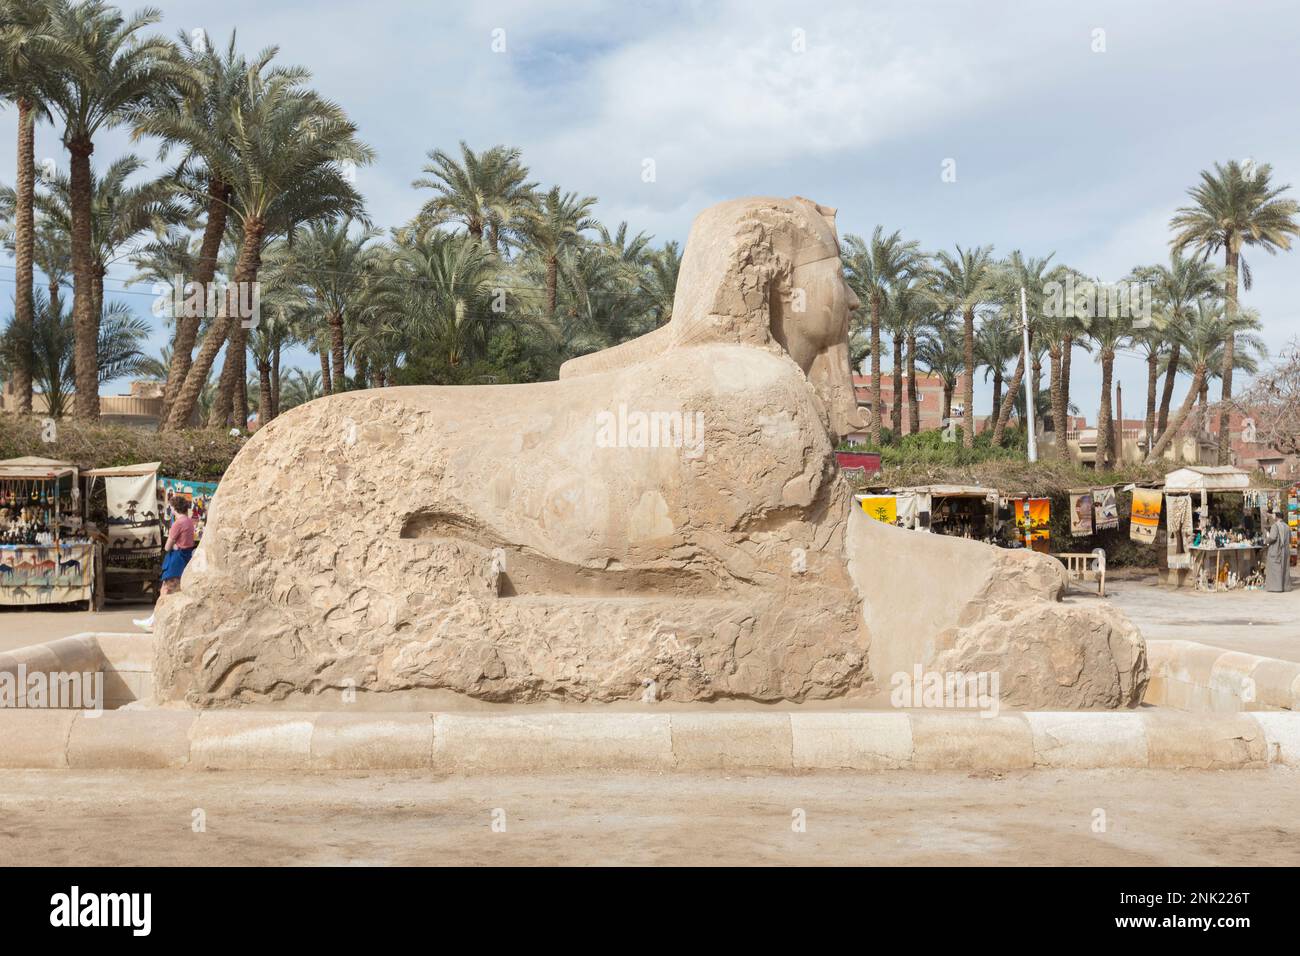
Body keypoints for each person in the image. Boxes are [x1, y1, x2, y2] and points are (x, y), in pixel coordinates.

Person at [1265, 508, 1293, 593]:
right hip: (1285, 551)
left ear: (1276, 516)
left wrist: (1266, 540)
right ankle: (1285, 587)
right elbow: (1290, 539)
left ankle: (1276, 588)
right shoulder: (1287, 526)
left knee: (1275, 569)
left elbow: (1273, 537)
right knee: (1284, 568)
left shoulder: (1275, 526)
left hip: (1276, 550)